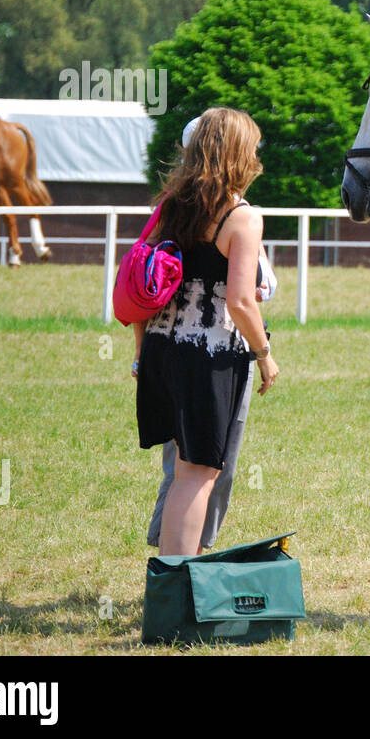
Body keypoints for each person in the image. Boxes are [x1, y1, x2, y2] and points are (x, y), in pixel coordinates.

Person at [134, 107, 279, 556]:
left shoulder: (170, 205)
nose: (257, 155)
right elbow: (240, 301)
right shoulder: (241, 216)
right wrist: (265, 352)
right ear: (236, 152)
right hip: (207, 356)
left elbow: (141, 283)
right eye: (251, 146)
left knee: (184, 468)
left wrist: (140, 354)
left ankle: (173, 582)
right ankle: (175, 589)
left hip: (160, 349)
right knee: (199, 473)